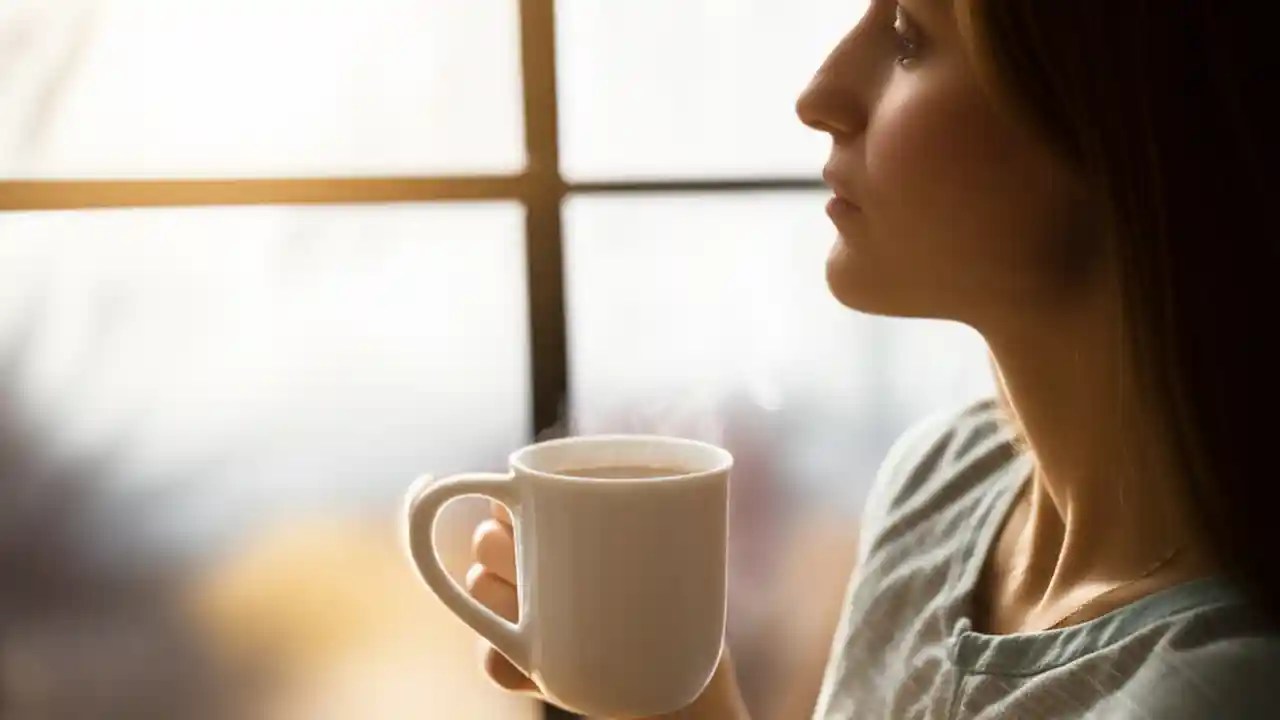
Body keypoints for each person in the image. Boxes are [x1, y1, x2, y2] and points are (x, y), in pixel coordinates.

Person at [462, 1, 1280, 717]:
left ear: (1124, 115)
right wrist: (670, 702)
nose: (819, 95)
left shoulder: (1219, 689)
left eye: (908, 37)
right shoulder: (942, 483)